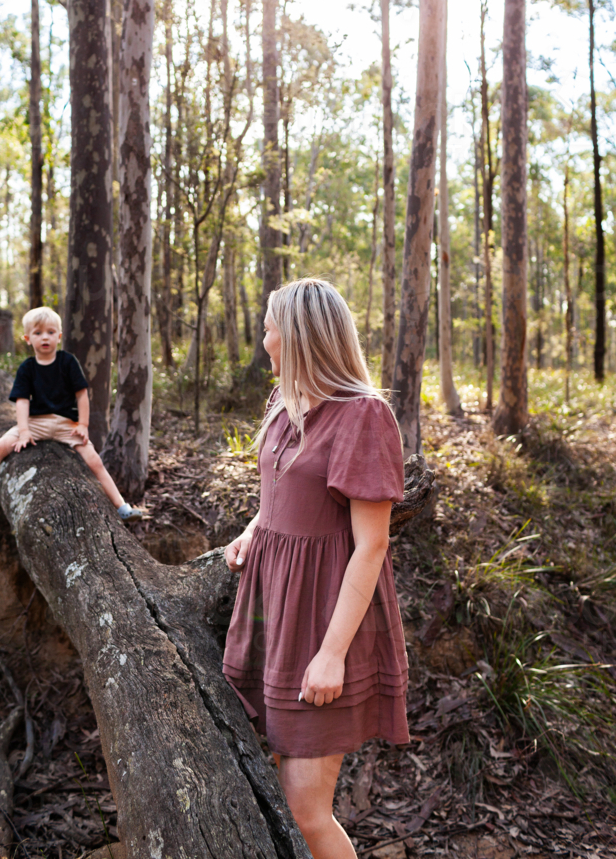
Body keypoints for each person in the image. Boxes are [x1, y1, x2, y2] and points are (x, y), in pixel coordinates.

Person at [223, 278, 409, 859]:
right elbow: (279, 489)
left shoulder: (363, 416)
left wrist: (330, 654)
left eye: (271, 324)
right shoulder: (282, 400)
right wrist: (255, 526)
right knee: (284, 792)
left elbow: (372, 547)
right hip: (273, 611)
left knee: (306, 809)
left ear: (298, 336)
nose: (264, 335)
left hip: (327, 621)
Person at [0, 306, 143, 521]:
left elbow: (81, 395)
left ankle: (121, 506)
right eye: (38, 333)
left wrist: (83, 425)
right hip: (35, 423)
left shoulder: (68, 362)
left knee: (94, 460)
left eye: (51, 332)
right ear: (27, 338)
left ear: (59, 337)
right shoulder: (27, 368)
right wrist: (23, 431)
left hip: (66, 424)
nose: (45, 337)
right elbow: (22, 402)